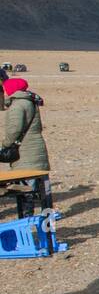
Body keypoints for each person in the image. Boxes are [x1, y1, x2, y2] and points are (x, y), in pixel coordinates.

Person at [2, 78, 51, 218]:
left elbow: (13, 131)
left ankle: (26, 217)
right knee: (40, 188)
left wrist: (5, 145)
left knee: (25, 188)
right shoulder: (30, 102)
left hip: (25, 152)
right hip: (36, 149)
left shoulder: (17, 106)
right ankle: (45, 216)